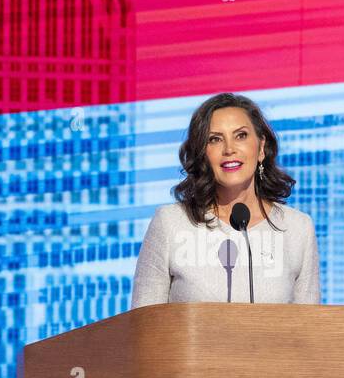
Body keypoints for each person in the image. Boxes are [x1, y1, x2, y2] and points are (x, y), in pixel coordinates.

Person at [130, 92, 320, 306]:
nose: (229, 149)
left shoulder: (298, 229)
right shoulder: (171, 222)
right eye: (215, 139)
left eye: (241, 136)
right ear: (202, 153)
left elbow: (308, 331)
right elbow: (143, 325)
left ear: (260, 148)